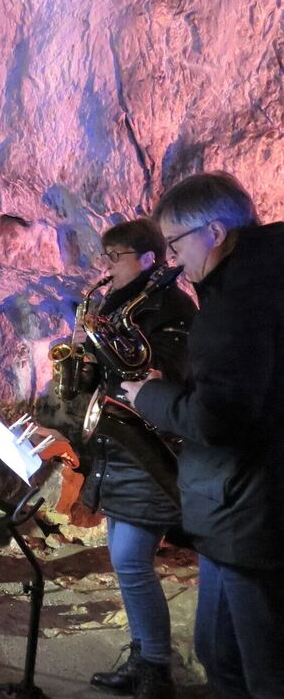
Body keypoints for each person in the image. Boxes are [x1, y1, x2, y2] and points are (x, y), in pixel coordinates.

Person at [122, 172, 284, 699]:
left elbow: (219, 420)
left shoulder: (236, 305)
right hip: (235, 514)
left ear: (214, 231)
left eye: (174, 244)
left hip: (251, 516)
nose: (171, 260)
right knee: (218, 651)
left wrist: (148, 396)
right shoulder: (260, 278)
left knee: (261, 671)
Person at [78, 220, 195, 698]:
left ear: (148, 258)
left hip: (150, 447)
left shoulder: (172, 306)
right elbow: (102, 376)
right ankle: (144, 654)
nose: (107, 267)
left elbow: (172, 374)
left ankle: (156, 669)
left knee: (130, 561)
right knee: (126, 562)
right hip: (116, 446)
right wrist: (84, 365)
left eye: (116, 256)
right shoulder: (113, 304)